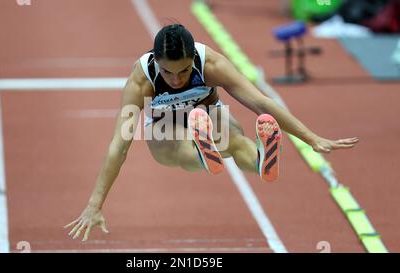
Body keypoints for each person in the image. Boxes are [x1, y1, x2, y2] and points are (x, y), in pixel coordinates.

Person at [65, 24, 358, 241]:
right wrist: (95, 204)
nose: (176, 79)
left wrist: (311, 138)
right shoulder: (141, 80)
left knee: (237, 140)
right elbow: (120, 144)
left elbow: (260, 102)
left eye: (183, 71)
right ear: (155, 61)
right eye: (168, 73)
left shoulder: (212, 63)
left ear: (194, 57)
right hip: (164, 127)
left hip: (206, 115)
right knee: (181, 144)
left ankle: (262, 161)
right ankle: (208, 155)